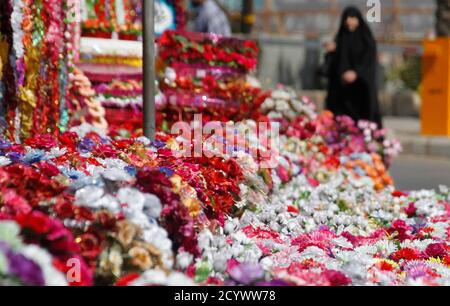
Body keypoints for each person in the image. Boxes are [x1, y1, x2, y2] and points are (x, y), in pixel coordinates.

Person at [324, 6, 383, 128]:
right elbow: (336, 62)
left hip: (361, 88)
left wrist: (356, 73)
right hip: (343, 90)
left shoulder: (366, 39)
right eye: (346, 18)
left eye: (352, 18)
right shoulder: (341, 37)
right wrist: (332, 51)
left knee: (363, 122)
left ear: (358, 20)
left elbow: (369, 60)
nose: (349, 21)